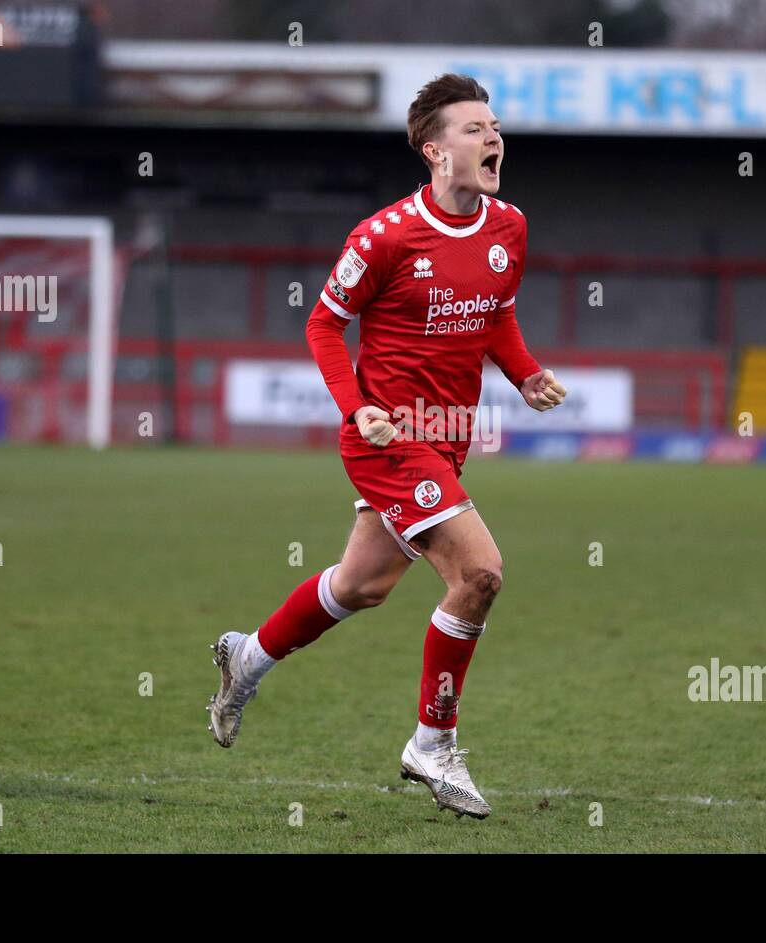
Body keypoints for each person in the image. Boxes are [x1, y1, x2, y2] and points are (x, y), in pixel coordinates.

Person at [205, 74, 566, 819]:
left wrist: (525, 374)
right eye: (473, 129)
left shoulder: (510, 228)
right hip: (389, 439)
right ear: (435, 152)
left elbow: (496, 313)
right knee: (481, 573)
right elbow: (321, 324)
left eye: (493, 125)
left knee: (361, 584)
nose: (491, 137)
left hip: (447, 438)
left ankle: (249, 656)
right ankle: (433, 742)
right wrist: (359, 407)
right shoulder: (385, 236)